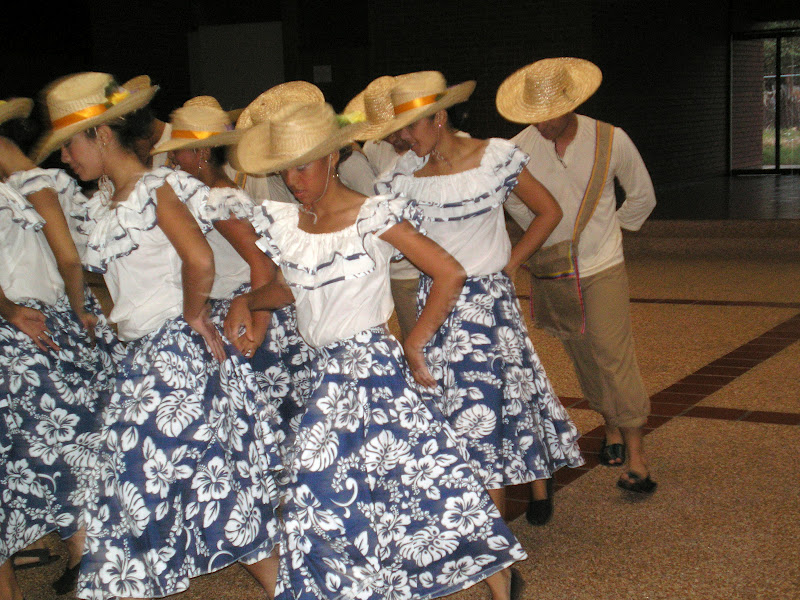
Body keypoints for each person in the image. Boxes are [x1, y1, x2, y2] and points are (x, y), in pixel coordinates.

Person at [228, 101, 527, 600]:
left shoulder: (371, 215)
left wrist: (414, 342)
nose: (293, 179)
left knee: (404, 484)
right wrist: (246, 299)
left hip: (371, 370)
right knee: (375, 487)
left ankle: (494, 576)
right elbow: (291, 289)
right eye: (285, 169)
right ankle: (473, 577)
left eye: (303, 165)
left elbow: (449, 271)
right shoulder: (290, 224)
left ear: (331, 159)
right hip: (325, 373)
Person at [33, 71, 283, 599]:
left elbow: (199, 258)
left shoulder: (154, 188)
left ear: (101, 135)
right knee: (198, 482)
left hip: (171, 357)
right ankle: (284, 586)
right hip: (146, 356)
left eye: (70, 143)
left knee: (143, 483)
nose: (65, 157)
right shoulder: (110, 197)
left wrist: (194, 315)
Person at [374, 71, 584, 527]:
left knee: (508, 392)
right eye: (400, 128)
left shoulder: (494, 157)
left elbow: (549, 211)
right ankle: (486, 513)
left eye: (411, 126)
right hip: (435, 300)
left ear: (439, 117)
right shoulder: (403, 177)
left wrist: (513, 261)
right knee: (456, 400)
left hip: (489, 301)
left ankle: (526, 493)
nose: (403, 137)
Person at [497, 57, 658, 494]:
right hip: (554, 270)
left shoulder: (610, 138)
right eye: (535, 115)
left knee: (612, 353)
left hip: (604, 266)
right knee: (583, 355)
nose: (543, 124)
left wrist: (609, 233)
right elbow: (516, 206)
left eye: (551, 113)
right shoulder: (516, 150)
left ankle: (637, 452)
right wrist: (540, 246)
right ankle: (609, 426)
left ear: (572, 103)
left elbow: (641, 196)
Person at [152, 96, 311, 484]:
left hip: (247, 308)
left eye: (180, 155)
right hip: (242, 305)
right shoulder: (209, 194)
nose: (174, 163)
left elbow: (262, 264)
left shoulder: (216, 198)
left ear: (202, 152)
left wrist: (256, 326)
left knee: (262, 414)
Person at [0, 98, 120, 599]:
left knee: (63, 443)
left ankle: (82, 558)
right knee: (62, 443)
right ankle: (79, 558)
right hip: (31, 322)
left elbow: (70, 259)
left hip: (35, 323)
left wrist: (76, 310)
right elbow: (69, 260)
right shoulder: (35, 183)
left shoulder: (32, 182)